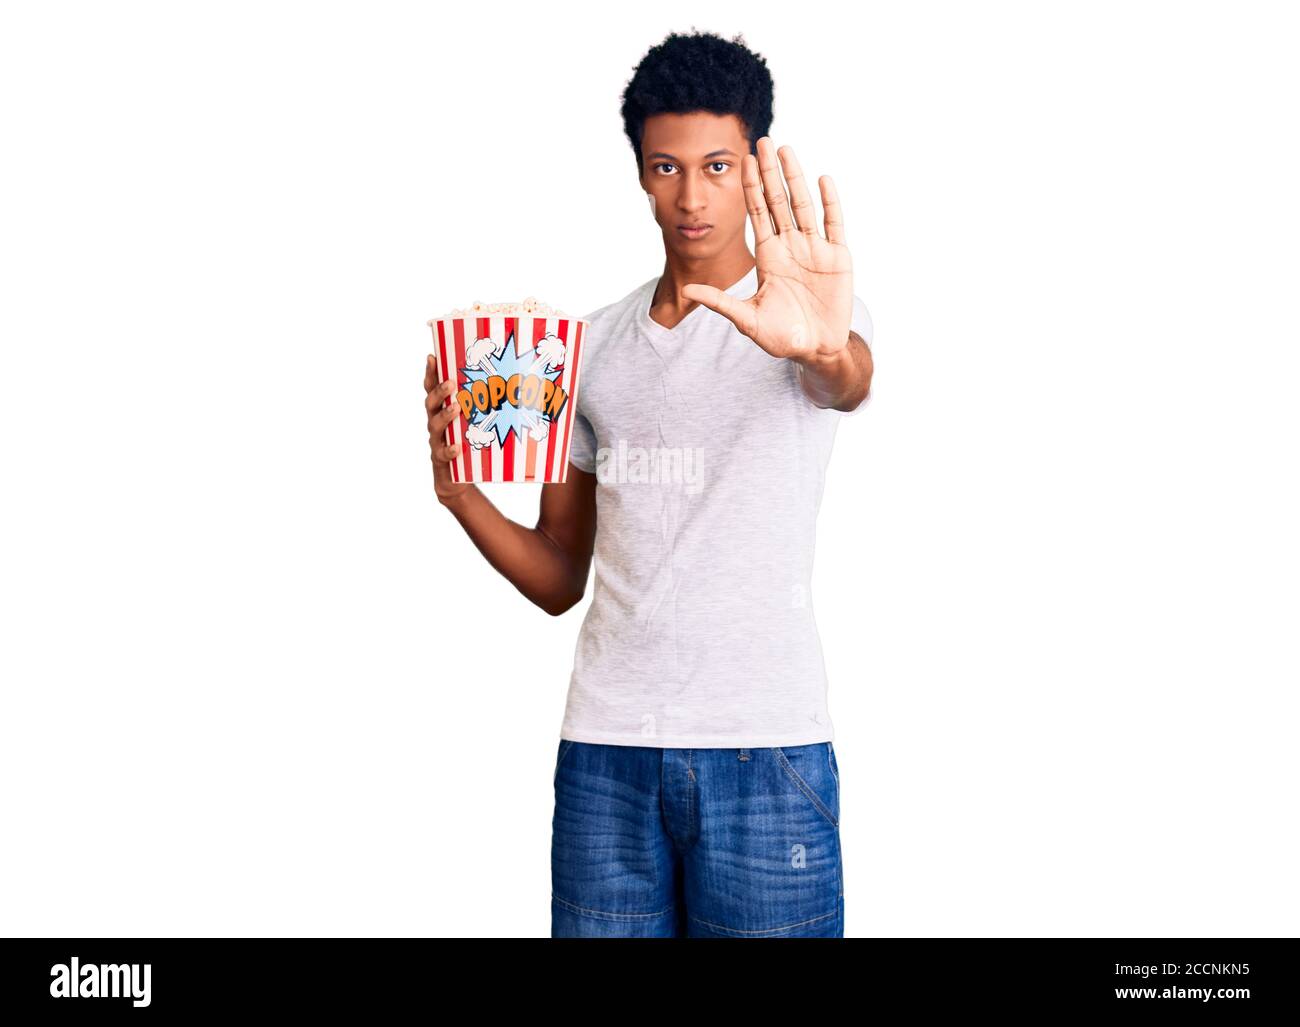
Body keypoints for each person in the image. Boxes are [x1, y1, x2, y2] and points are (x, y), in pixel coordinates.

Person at [423, 30, 874, 938]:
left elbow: (847, 378)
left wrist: (823, 349)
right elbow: (559, 576)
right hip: (607, 754)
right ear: (639, 171)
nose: (693, 195)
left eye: (717, 165)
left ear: (755, 167)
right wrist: (461, 495)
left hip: (765, 745)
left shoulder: (810, 318)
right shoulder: (588, 349)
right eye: (667, 166)